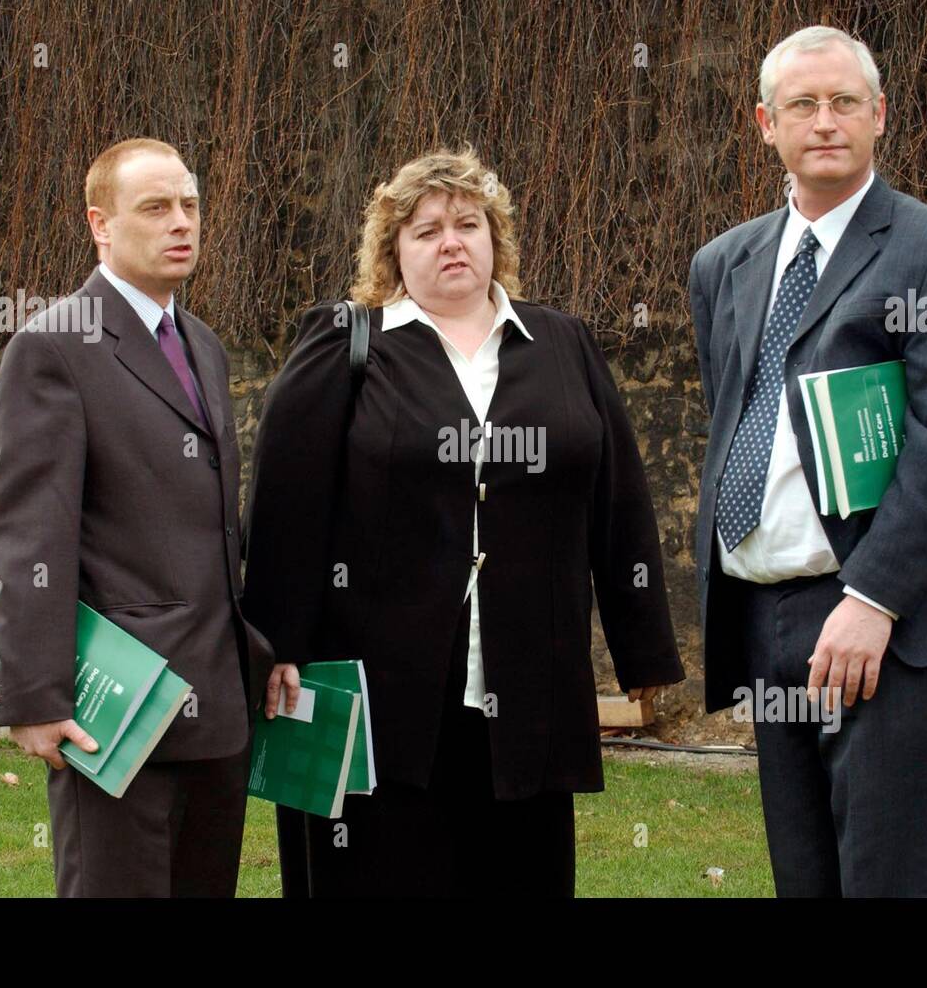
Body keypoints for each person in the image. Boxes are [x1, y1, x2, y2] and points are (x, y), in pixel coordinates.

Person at [243, 146, 685, 897]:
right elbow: (286, 506)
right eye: (427, 230)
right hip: (382, 695)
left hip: (531, 686)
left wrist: (643, 651)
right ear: (392, 252)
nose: (452, 241)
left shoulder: (562, 345)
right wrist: (277, 645)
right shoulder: (348, 345)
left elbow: (618, 501)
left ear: (495, 241)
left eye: (468, 224)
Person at [688, 26, 927, 896]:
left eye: (845, 102)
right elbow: (735, 417)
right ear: (766, 123)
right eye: (803, 104)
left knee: (892, 879)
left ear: (879, 115)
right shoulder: (722, 264)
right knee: (805, 877)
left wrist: (874, 596)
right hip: (766, 618)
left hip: (889, 620)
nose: (825, 121)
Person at [0, 138, 274, 897]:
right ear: (100, 224)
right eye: (155, 207)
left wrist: (262, 648)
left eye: (189, 204)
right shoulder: (52, 347)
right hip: (115, 717)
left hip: (217, 711)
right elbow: (31, 537)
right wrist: (37, 698)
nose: (181, 222)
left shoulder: (203, 346)